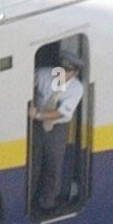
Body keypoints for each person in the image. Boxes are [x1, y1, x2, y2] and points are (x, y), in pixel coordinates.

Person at [29, 51, 84, 213]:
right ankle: (29, 199)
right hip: (36, 126)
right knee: (34, 162)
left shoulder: (76, 88)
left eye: (67, 72)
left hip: (58, 127)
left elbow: (63, 112)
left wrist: (38, 114)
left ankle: (48, 202)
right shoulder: (43, 74)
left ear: (75, 73)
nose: (63, 74)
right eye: (61, 70)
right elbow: (28, 83)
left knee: (53, 164)